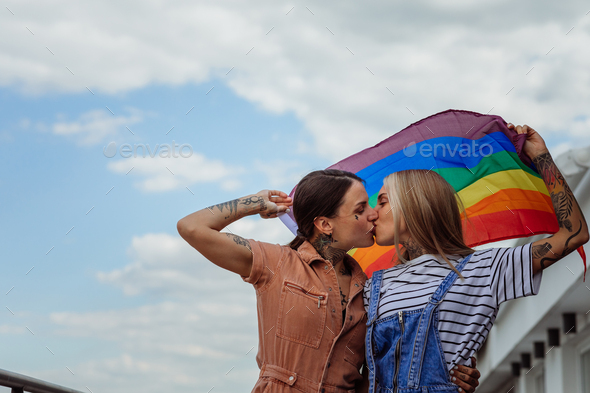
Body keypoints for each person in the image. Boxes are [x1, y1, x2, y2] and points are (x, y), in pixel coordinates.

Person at [177, 170, 481, 392]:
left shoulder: (375, 291)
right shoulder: (276, 263)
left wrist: (450, 374)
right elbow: (192, 227)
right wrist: (254, 202)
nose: (374, 215)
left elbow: (383, 371)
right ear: (325, 224)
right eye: (360, 209)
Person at [364, 124, 589, 393]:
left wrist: (541, 155)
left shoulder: (486, 269)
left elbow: (574, 233)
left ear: (413, 205)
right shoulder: (373, 286)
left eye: (382, 201)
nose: (373, 213)